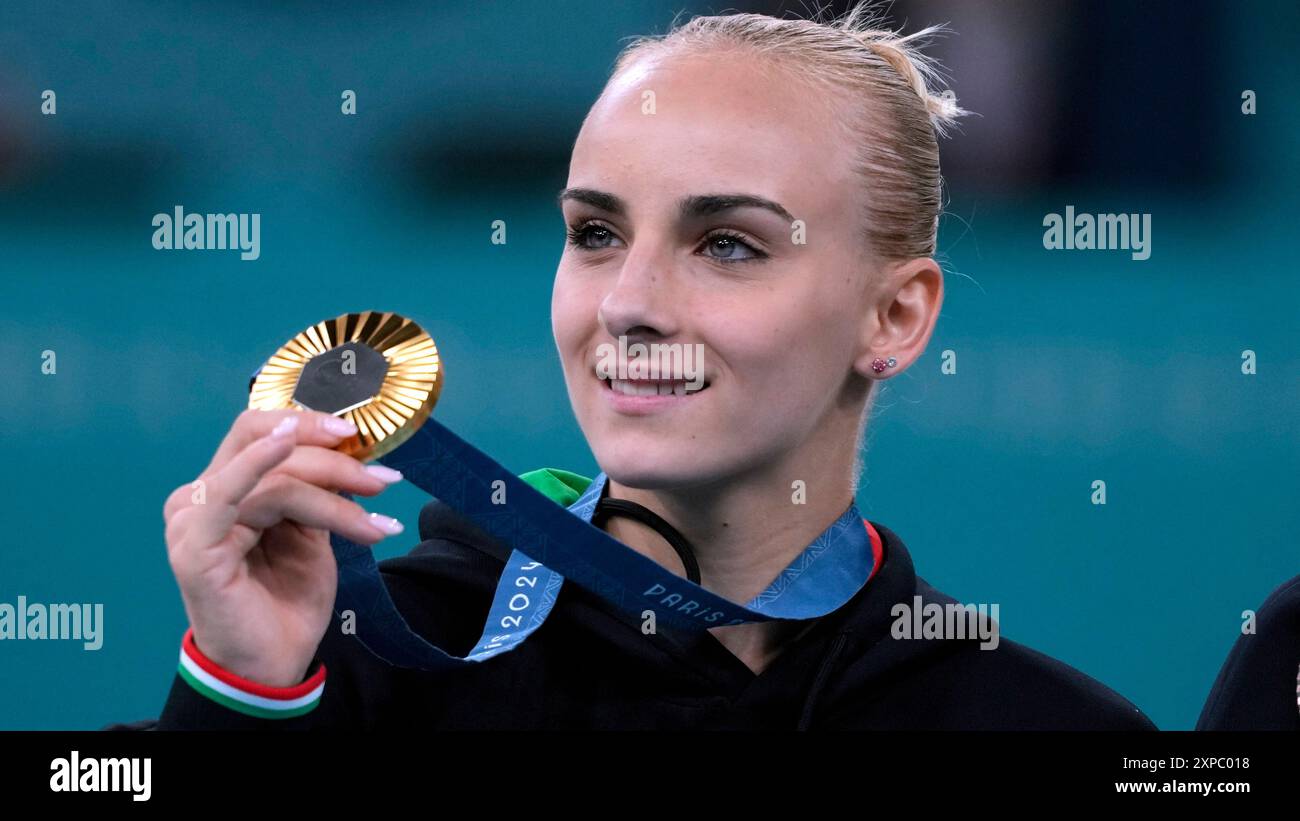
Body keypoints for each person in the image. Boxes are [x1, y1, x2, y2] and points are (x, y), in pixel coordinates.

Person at [147, 3, 1155, 730]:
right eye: (593, 232)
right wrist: (240, 690)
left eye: (726, 244)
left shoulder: (1041, 722)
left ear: (892, 314)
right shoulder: (373, 653)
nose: (628, 301)